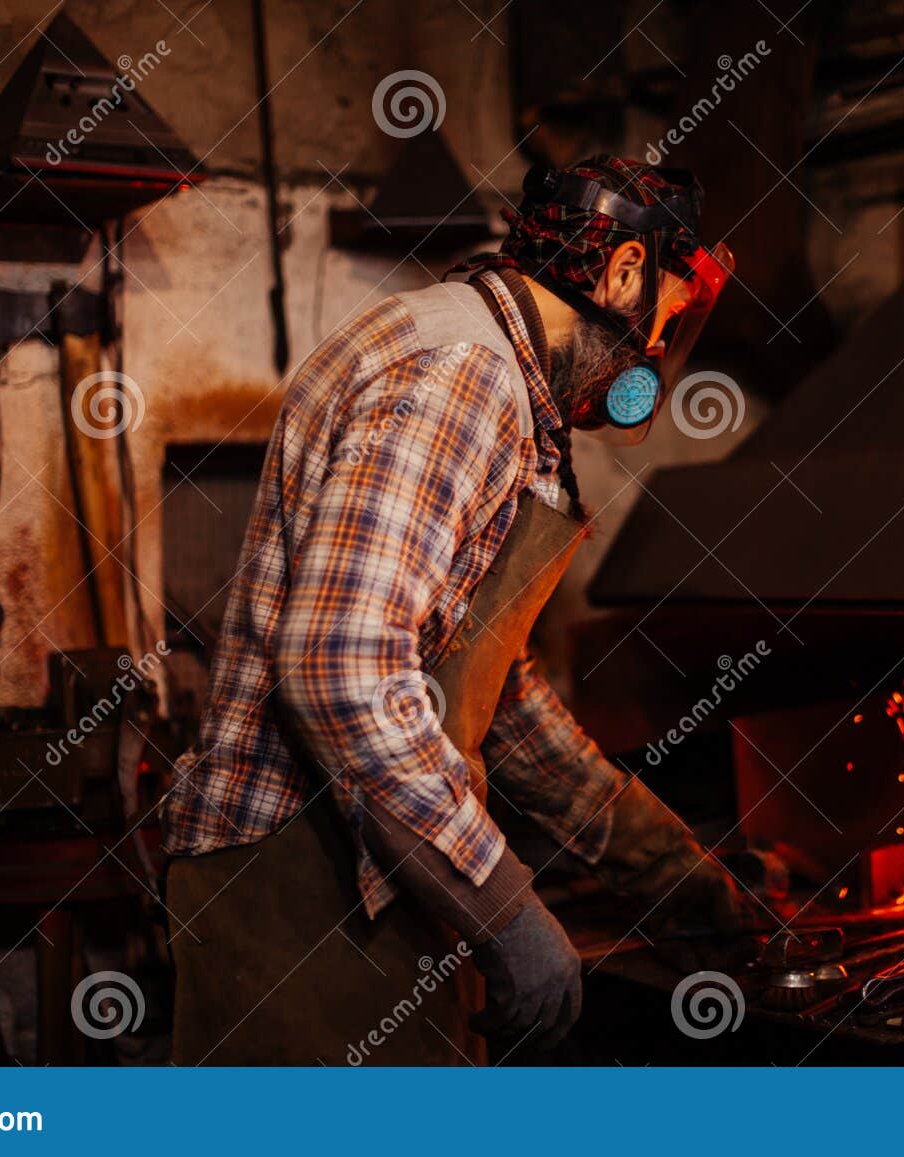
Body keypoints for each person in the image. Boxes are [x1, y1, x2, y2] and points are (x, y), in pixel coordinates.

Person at [162, 155, 749, 1064]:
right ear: (624, 271)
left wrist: (657, 862)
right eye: (664, 320)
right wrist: (505, 908)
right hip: (298, 884)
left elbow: (479, 686)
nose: (655, 357)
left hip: (371, 871)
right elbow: (337, 668)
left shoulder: (505, 380)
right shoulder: (463, 375)